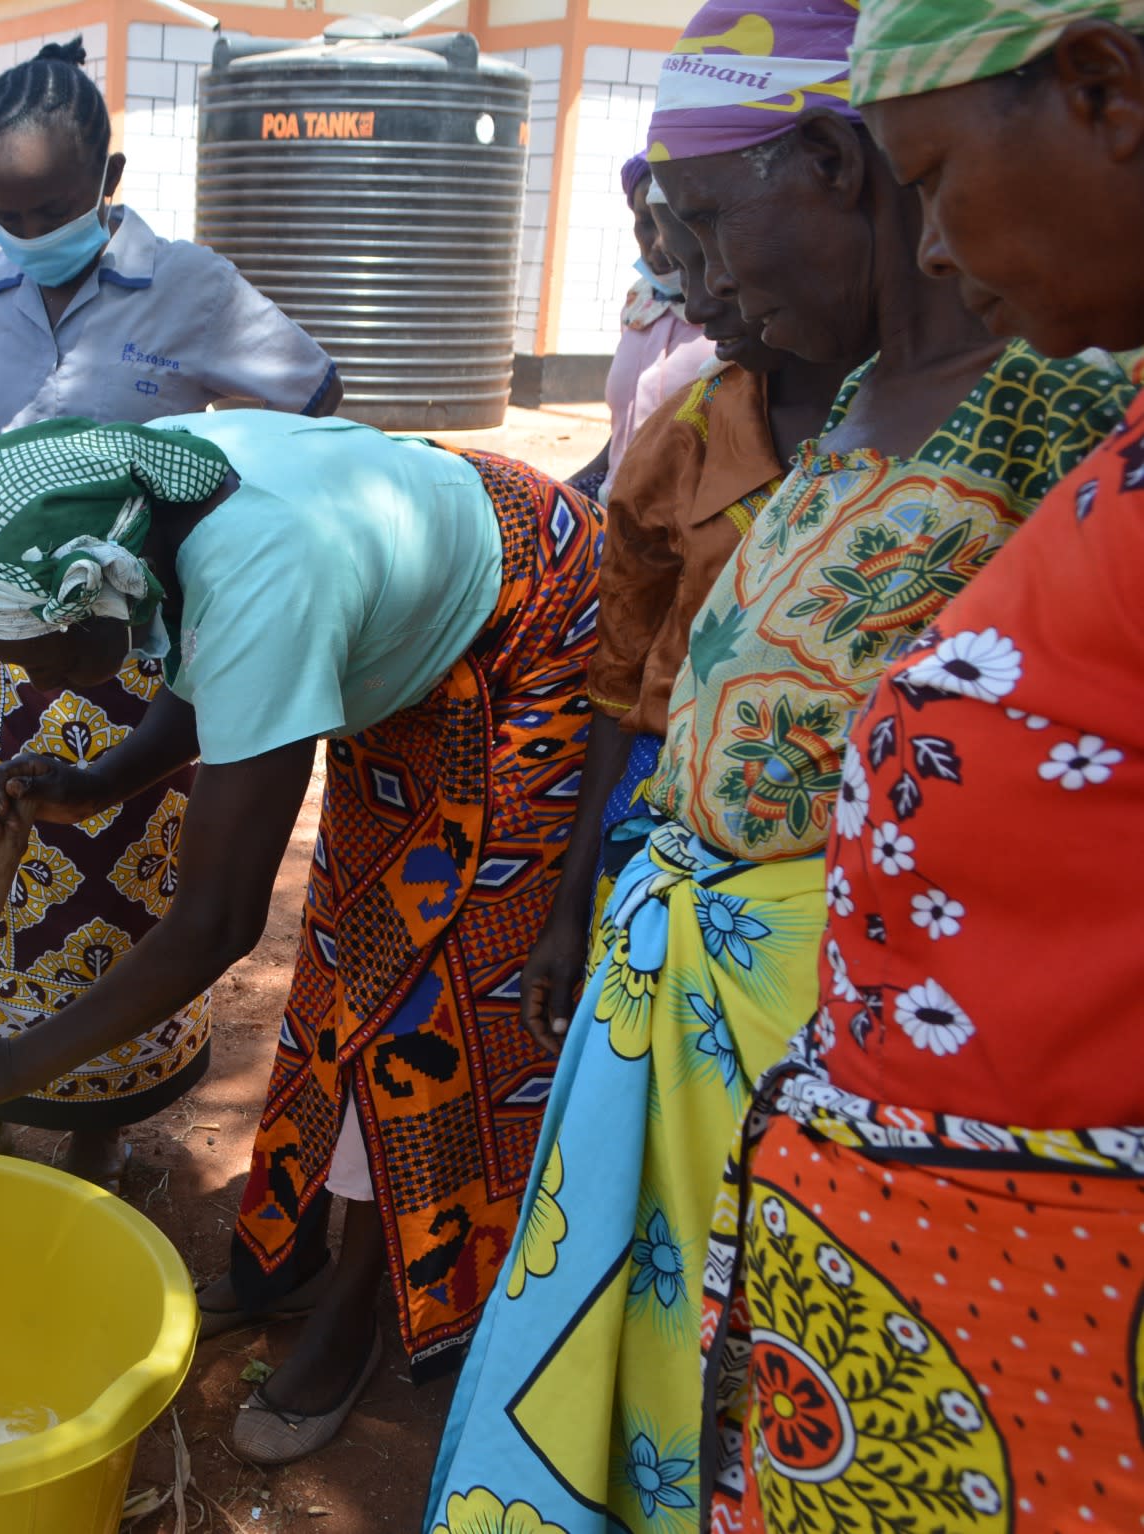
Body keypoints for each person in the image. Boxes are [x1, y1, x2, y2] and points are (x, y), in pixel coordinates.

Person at [424, 5, 1139, 1531]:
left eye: (711, 229)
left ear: (831, 161)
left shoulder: (1069, 403)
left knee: (772, 1396)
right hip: (710, 1014)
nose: (700, 282)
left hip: (874, 1066)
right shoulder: (842, 399)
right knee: (671, 1381)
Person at [0, 410, 601, 1463]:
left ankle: (355, 1312)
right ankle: (292, 1256)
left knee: (423, 992)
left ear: (90, 599)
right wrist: (97, 781)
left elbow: (216, 921)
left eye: (33, 658)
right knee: (349, 955)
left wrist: (7, 1065)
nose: (34, 688)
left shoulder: (262, 566)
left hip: (529, 636)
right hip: (391, 617)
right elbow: (208, 659)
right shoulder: (136, 500)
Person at [694, 4, 1144, 1526]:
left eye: (937, 174)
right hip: (957, 1295)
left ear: (1102, 90)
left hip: (1052, 1306)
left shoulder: (1066, 412)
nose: (932, 243)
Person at [0, 40, 342, 1188]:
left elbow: (310, 394)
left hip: (133, 655)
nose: (24, 229)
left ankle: (102, 1129)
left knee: (116, 889)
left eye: (49, 206)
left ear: (106, 176)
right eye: (2, 210)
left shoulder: (188, 286)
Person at [518, 186, 865, 1043]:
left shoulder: (943, 440)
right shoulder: (685, 437)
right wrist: (572, 902)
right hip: (664, 813)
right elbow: (618, 678)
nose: (702, 296)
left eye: (714, 256)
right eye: (677, 263)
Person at [564, 157, 716, 501]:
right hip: (619, 514)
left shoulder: (735, 319)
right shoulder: (639, 304)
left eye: (675, 222)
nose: (660, 242)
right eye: (645, 222)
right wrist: (565, 492)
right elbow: (626, 433)